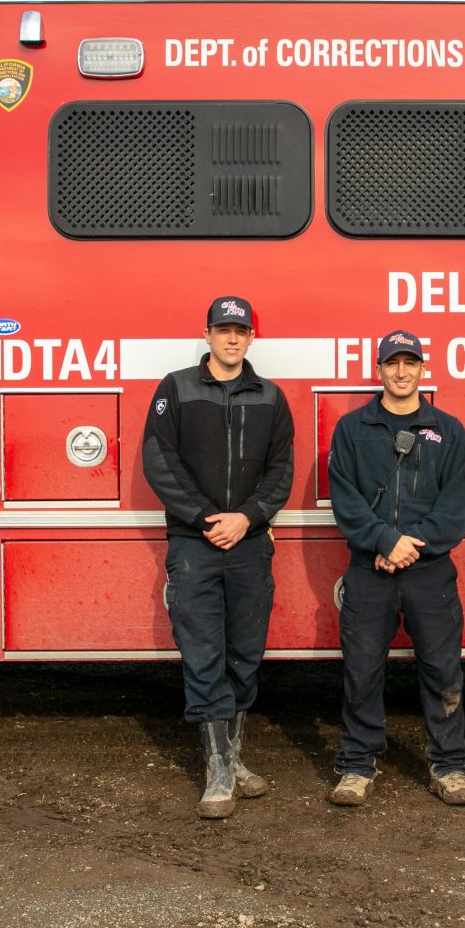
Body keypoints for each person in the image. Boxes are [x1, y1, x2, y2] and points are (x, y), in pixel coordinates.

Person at [141, 295, 296, 819]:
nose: (232, 338)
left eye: (241, 330)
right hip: (195, 544)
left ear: (253, 338)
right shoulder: (176, 389)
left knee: (246, 652)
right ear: (206, 335)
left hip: (250, 544)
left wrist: (247, 518)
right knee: (204, 651)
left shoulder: (272, 398)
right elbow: (160, 462)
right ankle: (218, 771)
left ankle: (233, 755)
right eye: (223, 329)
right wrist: (210, 517)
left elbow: (281, 472)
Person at [325, 329, 465, 807]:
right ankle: (356, 764)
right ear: (379, 369)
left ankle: (449, 765)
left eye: (410, 363)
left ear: (422, 369)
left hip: (429, 570)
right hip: (368, 569)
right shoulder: (352, 429)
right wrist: (384, 540)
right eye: (393, 363)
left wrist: (409, 547)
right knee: (362, 671)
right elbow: (345, 500)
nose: (401, 372)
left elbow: (455, 508)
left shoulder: (448, 430)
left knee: (442, 670)